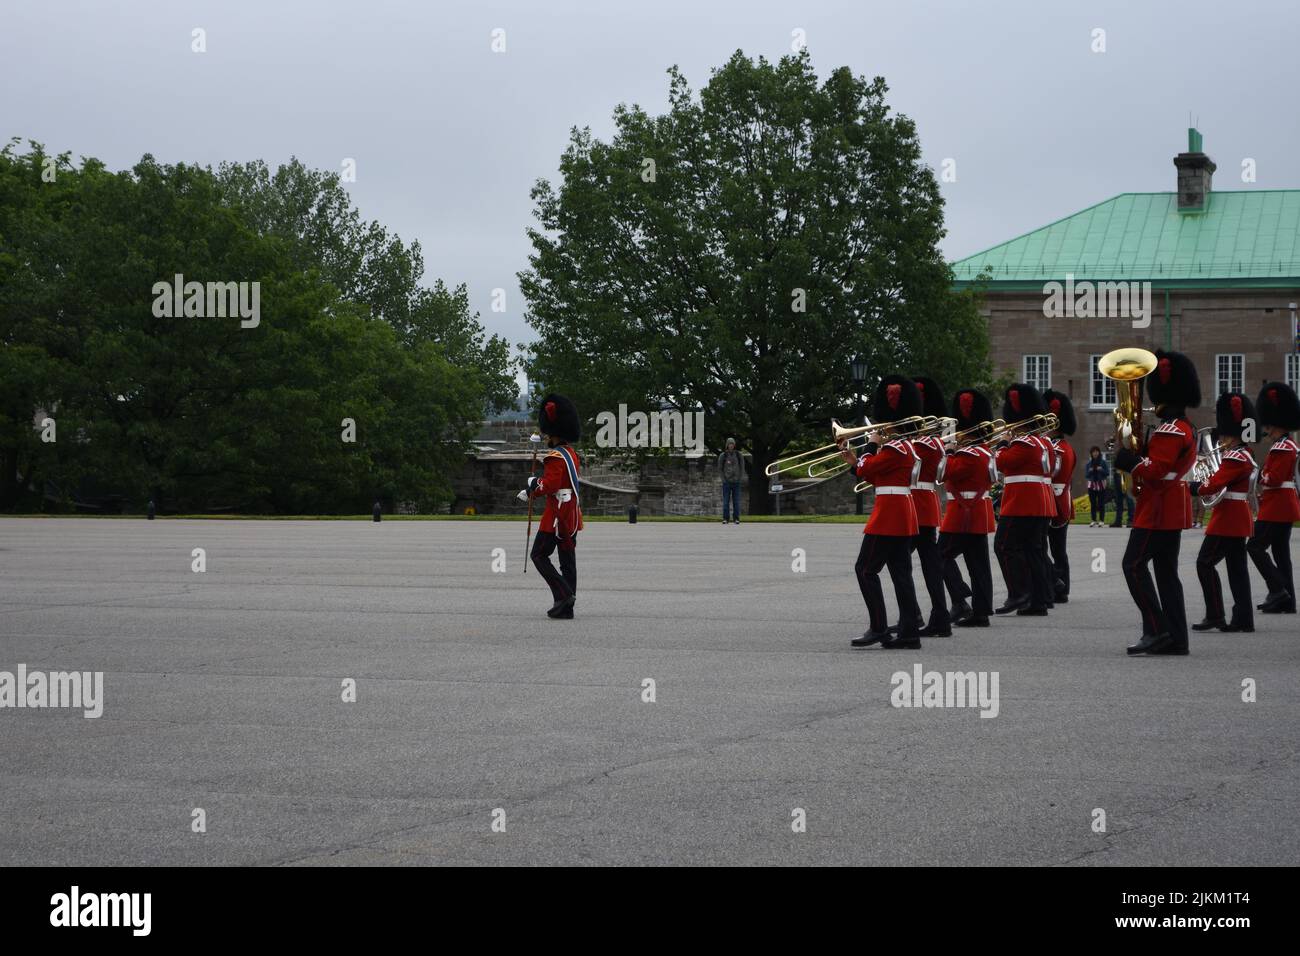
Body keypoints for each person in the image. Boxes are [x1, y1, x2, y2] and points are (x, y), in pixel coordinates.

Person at [1112, 349, 1200, 656]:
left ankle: (1157, 628)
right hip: (1169, 507)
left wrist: (1129, 460)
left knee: (1133, 565)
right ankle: (1176, 638)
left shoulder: (1171, 430)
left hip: (1158, 508)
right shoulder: (1180, 427)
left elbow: (1156, 470)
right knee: (1165, 573)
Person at [842, 375, 924, 649]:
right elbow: (876, 476)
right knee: (900, 573)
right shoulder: (904, 447)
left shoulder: (894, 447)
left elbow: (871, 468)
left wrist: (870, 445)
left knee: (865, 569)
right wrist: (856, 463)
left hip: (889, 515)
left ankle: (879, 627)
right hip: (900, 512)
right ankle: (910, 631)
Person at [1189, 395, 1258, 633]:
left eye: (1225, 435)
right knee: (1236, 569)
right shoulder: (1244, 454)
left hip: (1228, 519)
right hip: (1235, 517)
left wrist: (1193, 487)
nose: (1222, 440)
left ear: (1233, 433)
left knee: (1204, 563)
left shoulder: (1236, 456)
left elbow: (1214, 483)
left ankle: (1215, 614)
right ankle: (1243, 619)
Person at [993, 383, 1054, 617]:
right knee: (1033, 551)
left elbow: (1000, 462)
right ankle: (1039, 600)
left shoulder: (1024, 442)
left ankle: (1018, 592)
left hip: (1022, 501)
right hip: (1037, 500)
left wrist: (1002, 443)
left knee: (1004, 545)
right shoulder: (1040, 441)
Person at [520, 393, 584, 619]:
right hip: (571, 514)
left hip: (557, 515)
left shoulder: (556, 457)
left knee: (538, 555)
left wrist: (532, 486)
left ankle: (564, 594)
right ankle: (566, 608)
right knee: (567, 560)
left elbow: (550, 485)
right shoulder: (571, 454)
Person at [939, 388, 997, 628]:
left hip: (964, 512)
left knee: (939, 555)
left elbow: (944, 473)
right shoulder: (982, 450)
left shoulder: (970, 453)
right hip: (976, 512)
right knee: (977, 563)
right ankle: (981, 611)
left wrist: (950, 450)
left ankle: (960, 597)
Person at [905, 376, 952, 636]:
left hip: (915, 505)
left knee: (899, 563)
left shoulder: (922, 443)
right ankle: (939, 616)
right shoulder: (933, 442)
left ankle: (912, 616)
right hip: (925, 505)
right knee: (930, 563)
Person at [1249, 381, 1300, 614]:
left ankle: (1278, 589)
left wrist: (1258, 475)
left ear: (1276, 424)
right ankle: (1287, 601)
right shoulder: (1287, 444)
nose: (1266, 431)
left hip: (1277, 506)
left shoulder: (1282, 448)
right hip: (1283, 505)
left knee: (1255, 547)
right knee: (1280, 554)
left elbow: (1274, 478)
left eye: (1269, 426)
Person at [1043, 390, 1078, 603]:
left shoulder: (1060, 449)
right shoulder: (1060, 446)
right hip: (1057, 499)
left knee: (1050, 548)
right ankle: (1059, 586)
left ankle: (1059, 584)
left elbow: (1051, 475)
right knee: (1055, 549)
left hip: (1055, 501)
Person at [718, 438, 746, 524]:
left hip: (736, 482)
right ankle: (725, 518)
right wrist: (723, 480)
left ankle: (736, 518)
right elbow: (720, 469)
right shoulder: (723, 455)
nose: (731, 445)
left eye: (732, 444)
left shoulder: (738, 455)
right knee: (726, 501)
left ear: (734, 445)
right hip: (727, 482)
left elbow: (742, 467)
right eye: (729, 444)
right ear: (727, 445)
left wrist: (740, 478)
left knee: (736, 501)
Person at [1084, 446, 1109, 526]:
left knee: (1101, 503)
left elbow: (1107, 473)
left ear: (1099, 452)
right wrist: (1090, 471)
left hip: (1101, 484)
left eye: (1097, 451)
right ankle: (1093, 520)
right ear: (1091, 453)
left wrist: (1101, 469)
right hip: (1092, 485)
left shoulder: (1103, 462)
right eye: (1093, 452)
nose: (1095, 453)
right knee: (1093, 503)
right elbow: (1086, 475)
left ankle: (1101, 520)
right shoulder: (1089, 463)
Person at [1109, 455, 1135, 528]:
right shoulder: (1118, 451)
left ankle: (1130, 520)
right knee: (1118, 499)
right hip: (1117, 475)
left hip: (1126, 475)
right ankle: (1118, 520)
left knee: (1129, 498)